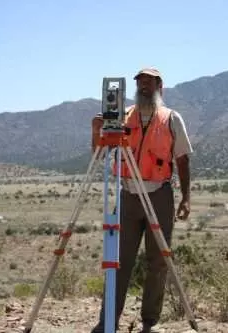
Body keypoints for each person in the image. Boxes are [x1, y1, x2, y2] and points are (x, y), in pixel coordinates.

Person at [90, 68, 193, 333]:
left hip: (159, 194)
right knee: (118, 260)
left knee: (157, 261)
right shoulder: (124, 116)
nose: (144, 86)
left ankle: (150, 321)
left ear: (161, 86)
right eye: (140, 82)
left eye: (149, 82)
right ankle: (108, 321)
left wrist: (186, 198)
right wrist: (96, 131)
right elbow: (100, 154)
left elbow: (182, 159)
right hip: (128, 194)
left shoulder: (171, 118)